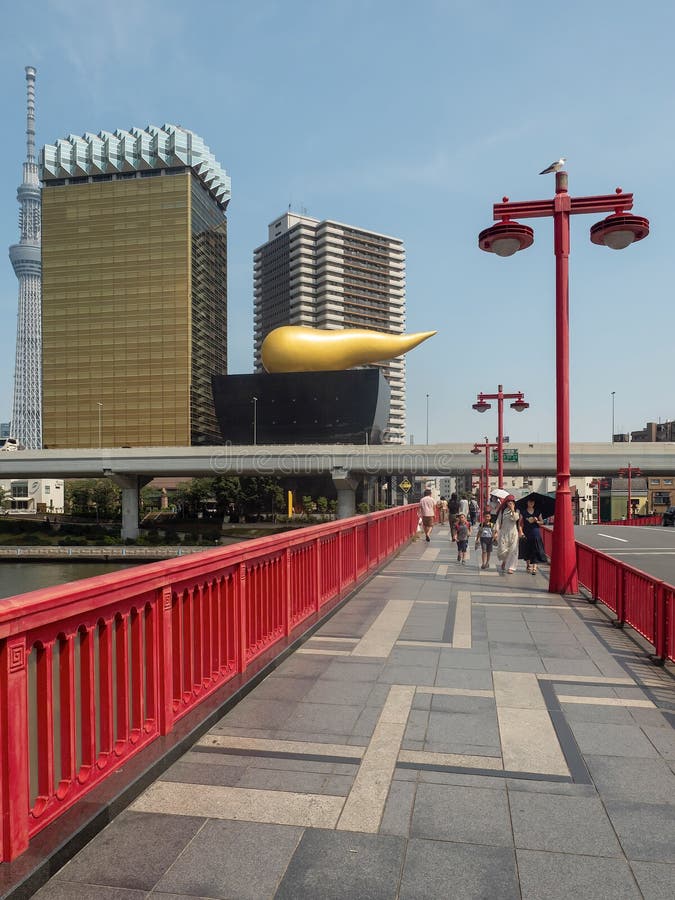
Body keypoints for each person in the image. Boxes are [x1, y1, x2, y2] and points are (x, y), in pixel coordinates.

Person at [494, 495, 523, 574]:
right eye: (508, 502)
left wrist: (512, 510)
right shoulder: (503, 511)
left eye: (511, 502)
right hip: (504, 532)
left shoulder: (517, 510)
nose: (510, 503)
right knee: (503, 549)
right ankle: (505, 561)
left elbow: (515, 518)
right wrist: (496, 532)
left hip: (513, 533)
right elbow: (498, 521)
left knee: (513, 550)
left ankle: (511, 567)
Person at [521, 496, 547, 574]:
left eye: (532, 502)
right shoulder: (523, 512)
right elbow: (520, 523)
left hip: (536, 533)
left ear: (534, 503)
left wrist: (536, 521)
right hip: (526, 533)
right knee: (527, 550)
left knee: (536, 550)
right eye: (530, 502)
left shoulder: (537, 512)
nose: (531, 503)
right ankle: (528, 565)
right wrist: (521, 532)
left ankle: (534, 568)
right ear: (527, 503)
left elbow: (542, 522)